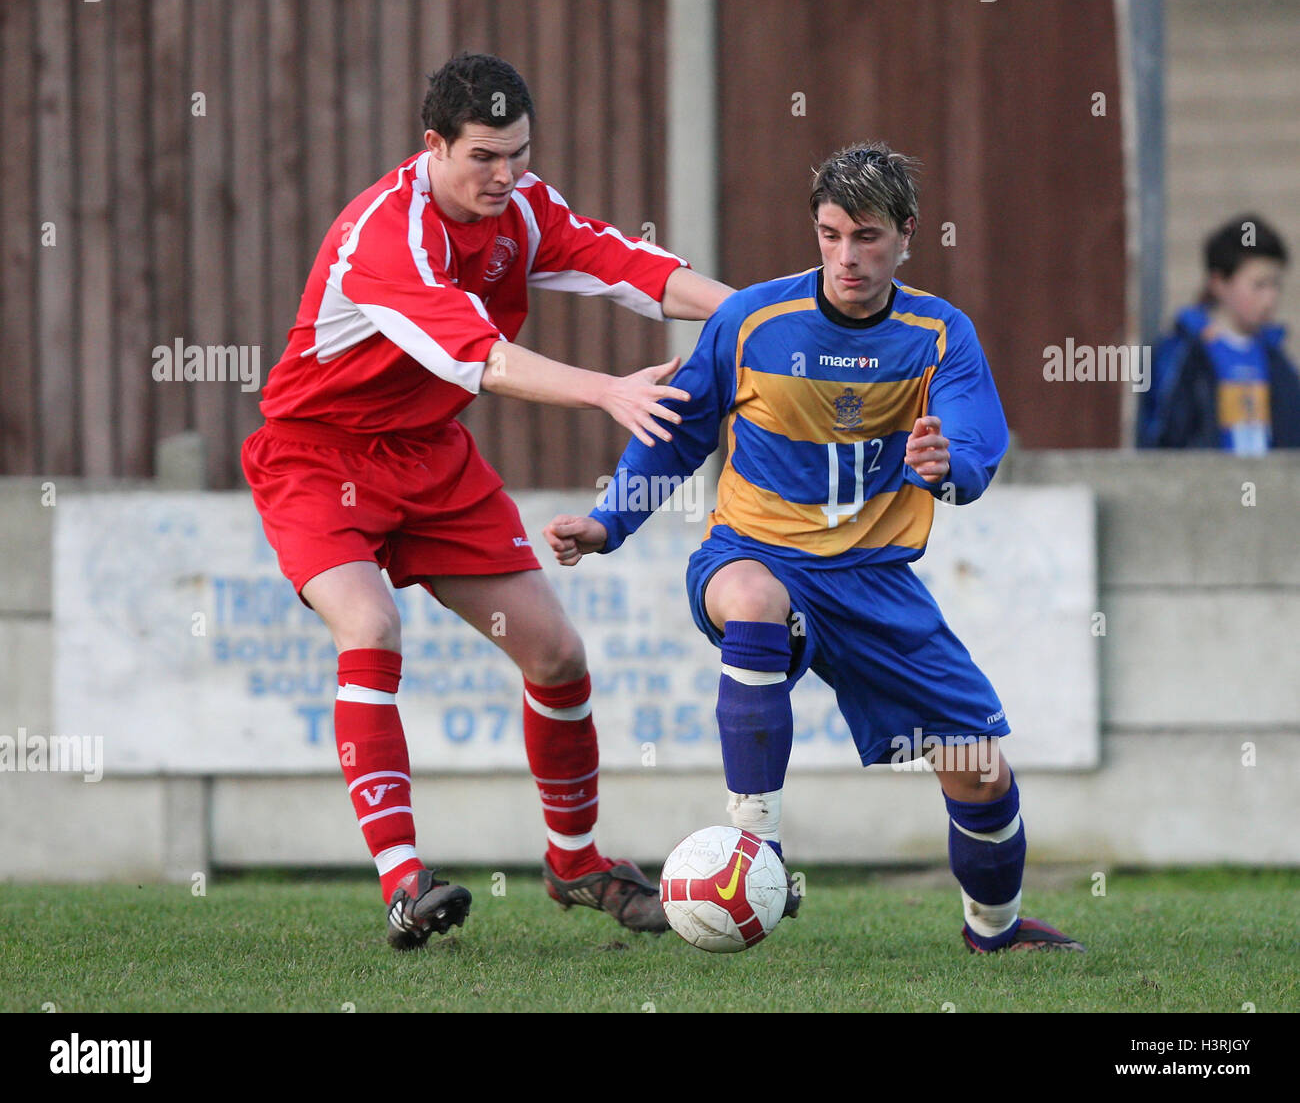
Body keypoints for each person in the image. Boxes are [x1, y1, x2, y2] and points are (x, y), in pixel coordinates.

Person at [241, 53, 733, 950]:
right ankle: (402, 883)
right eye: (483, 157)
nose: (505, 175)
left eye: (518, 153)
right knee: (370, 626)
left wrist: (756, 317)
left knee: (555, 655)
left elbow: (630, 267)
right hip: (319, 460)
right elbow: (484, 358)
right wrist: (607, 391)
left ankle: (577, 865)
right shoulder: (387, 238)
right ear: (433, 146)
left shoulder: (523, 208)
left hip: (432, 459)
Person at [545, 142, 1083, 954]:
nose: (846, 257)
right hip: (755, 553)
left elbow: (976, 430)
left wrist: (953, 466)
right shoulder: (752, 320)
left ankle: (995, 931)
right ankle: (757, 840)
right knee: (756, 603)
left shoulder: (938, 333)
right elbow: (679, 431)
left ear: (907, 234)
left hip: (875, 582)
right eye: (830, 235)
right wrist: (609, 521)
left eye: (866, 237)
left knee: (978, 767)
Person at [1138, 214, 1299, 451]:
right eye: (1259, 285)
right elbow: (1160, 437)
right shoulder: (1182, 356)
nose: (1270, 298)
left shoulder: (1276, 359)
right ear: (1219, 283)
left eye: (1275, 285)